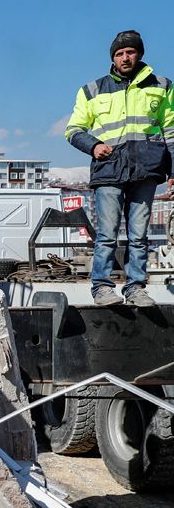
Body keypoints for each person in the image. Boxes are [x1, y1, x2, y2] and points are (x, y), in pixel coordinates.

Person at [65, 30, 174, 307]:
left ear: (139, 54)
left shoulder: (162, 86)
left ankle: (136, 287)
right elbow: (74, 130)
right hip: (109, 170)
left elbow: (172, 131)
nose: (125, 57)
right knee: (107, 233)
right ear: (113, 58)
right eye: (119, 53)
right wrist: (93, 146)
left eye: (130, 52)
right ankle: (102, 287)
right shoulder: (93, 89)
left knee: (139, 235)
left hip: (147, 170)